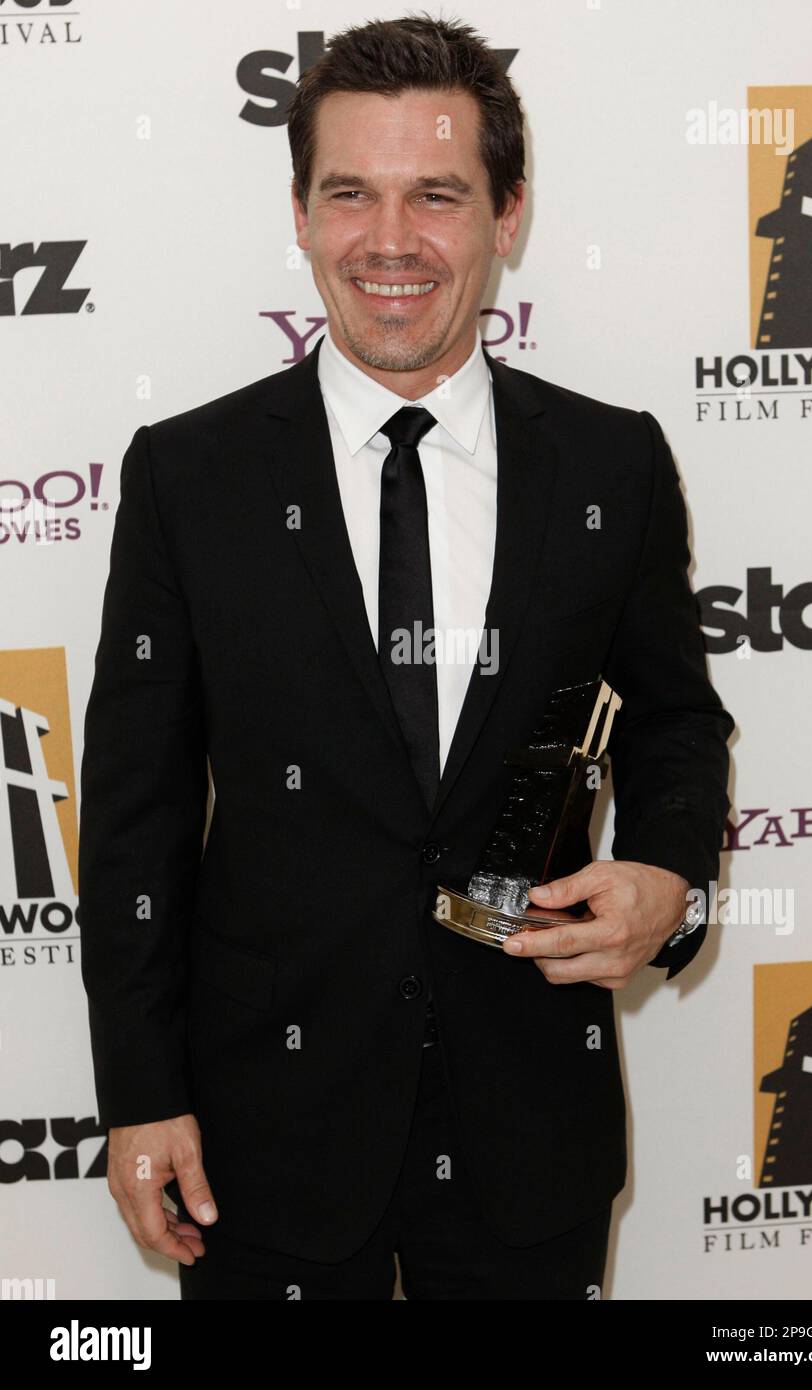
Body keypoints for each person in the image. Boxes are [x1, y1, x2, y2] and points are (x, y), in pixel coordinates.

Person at [79, 14, 734, 1300]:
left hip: (526, 1122)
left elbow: (676, 724)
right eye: (351, 196)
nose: (390, 242)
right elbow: (135, 812)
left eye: (436, 195)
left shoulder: (612, 464)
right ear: (303, 212)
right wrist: (139, 1094)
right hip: (261, 1132)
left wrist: (671, 878)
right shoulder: (190, 475)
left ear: (509, 212)